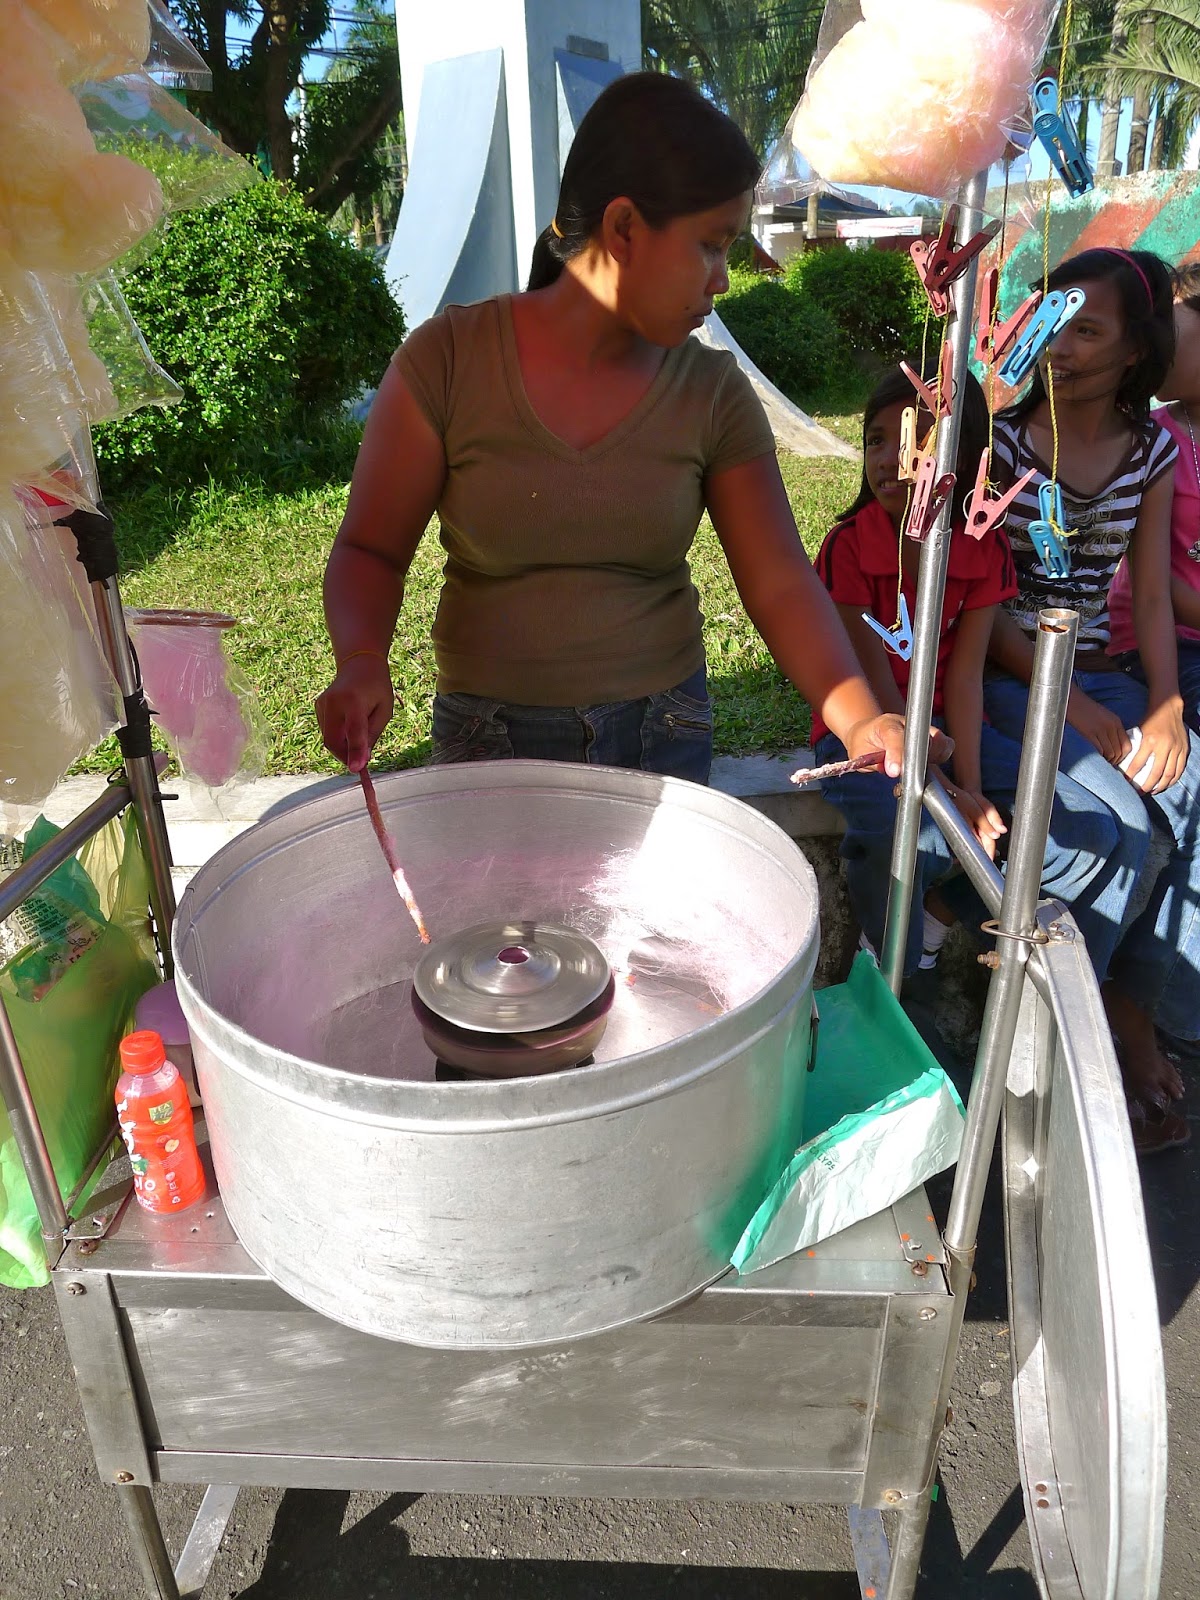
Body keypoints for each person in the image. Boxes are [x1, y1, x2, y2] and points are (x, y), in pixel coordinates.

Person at [315, 72, 944, 793]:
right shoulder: (448, 362)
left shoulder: (711, 394)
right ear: (622, 229)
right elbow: (371, 548)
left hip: (660, 734)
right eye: (711, 246)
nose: (722, 281)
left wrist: (861, 718)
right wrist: (362, 659)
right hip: (489, 742)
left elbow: (778, 583)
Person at [983, 245, 1199, 1154]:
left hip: (1102, 672)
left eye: (1089, 331)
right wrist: (1068, 704)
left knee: (1189, 793)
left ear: (1134, 354)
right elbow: (980, 608)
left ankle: (1137, 1007)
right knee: (1128, 831)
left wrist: (1165, 705)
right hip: (1008, 671)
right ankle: (1076, 1035)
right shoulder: (995, 443)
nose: (1061, 346)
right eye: (1052, 323)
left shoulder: (1151, 450)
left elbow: (1149, 594)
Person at [814, 364, 1120, 978]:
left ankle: (935, 922)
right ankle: (887, 967)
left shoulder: (982, 546)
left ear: (968, 456)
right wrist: (952, 799)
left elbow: (965, 680)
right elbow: (873, 697)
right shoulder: (850, 547)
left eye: (917, 441)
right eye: (878, 440)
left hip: (954, 736)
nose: (891, 460)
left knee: (1091, 838)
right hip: (873, 740)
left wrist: (973, 790)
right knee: (918, 834)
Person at [1109, 261, 1200, 730]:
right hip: (1160, 642)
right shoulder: (1153, 441)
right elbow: (1155, 577)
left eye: (1173, 333)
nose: (1156, 348)